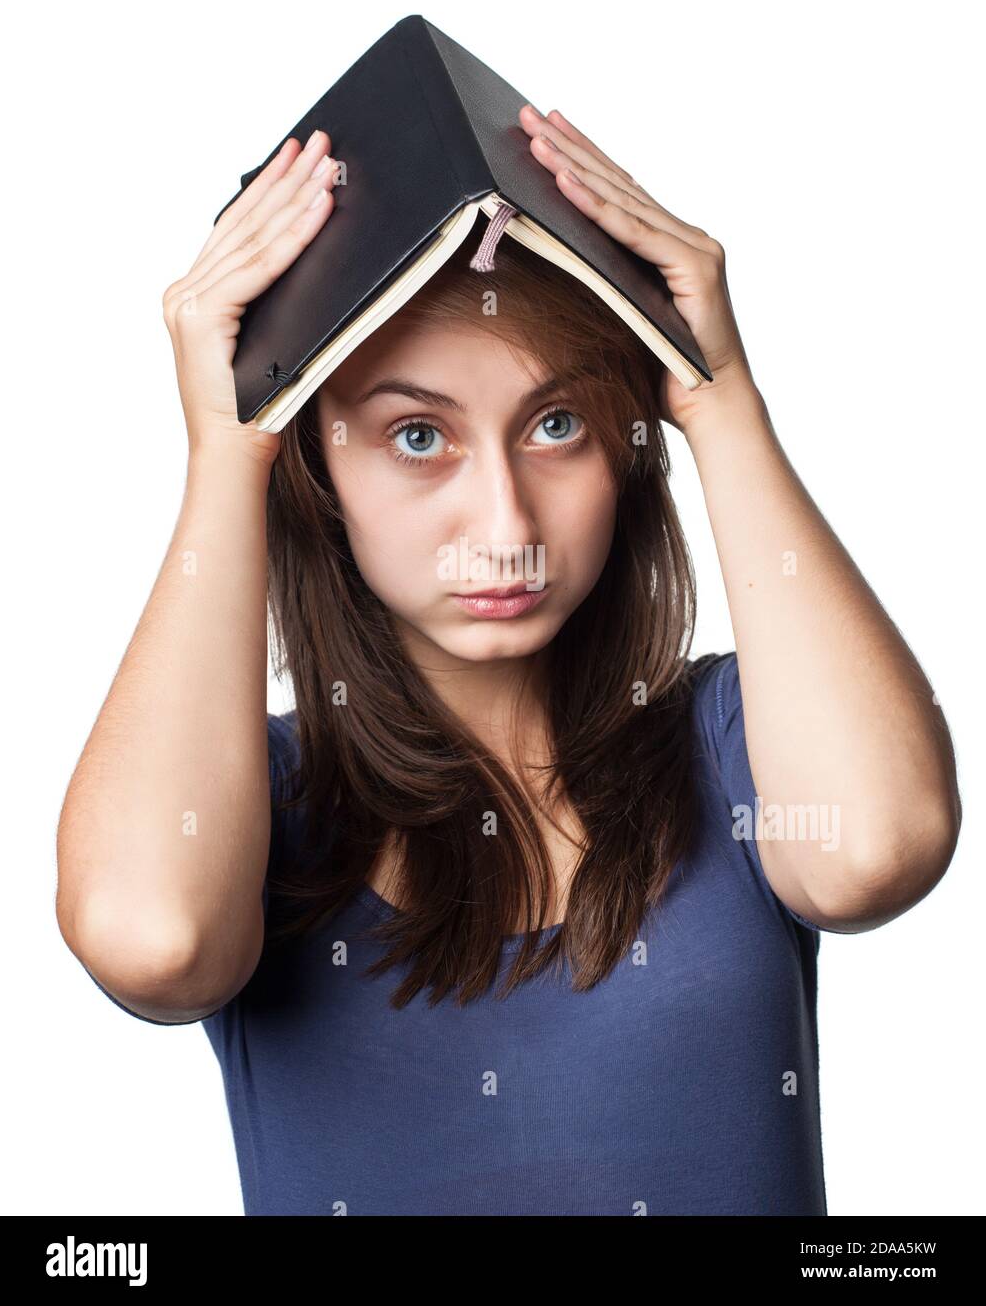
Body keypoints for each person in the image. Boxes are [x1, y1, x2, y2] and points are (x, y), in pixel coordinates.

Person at [56, 110, 961, 1216]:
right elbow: (153, 940)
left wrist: (723, 404)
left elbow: (880, 848)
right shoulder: (264, 808)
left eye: (557, 424)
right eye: (418, 436)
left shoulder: (727, 746)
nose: (505, 521)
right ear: (317, 469)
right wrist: (227, 453)